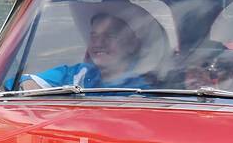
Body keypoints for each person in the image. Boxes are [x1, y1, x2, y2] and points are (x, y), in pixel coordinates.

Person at [21, 8, 164, 89]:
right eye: (93, 36)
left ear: (132, 44)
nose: (99, 43)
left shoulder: (145, 86)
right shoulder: (80, 73)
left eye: (110, 35)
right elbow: (19, 83)